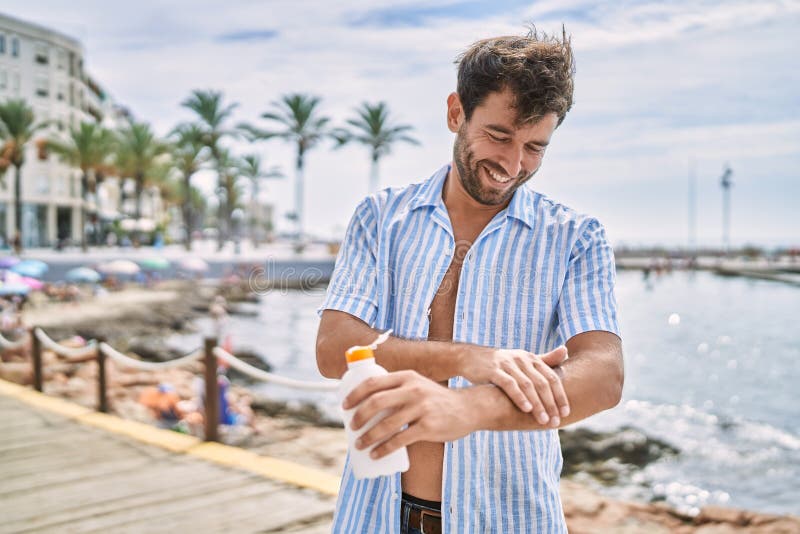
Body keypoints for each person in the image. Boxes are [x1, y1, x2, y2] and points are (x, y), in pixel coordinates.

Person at [316, 27, 623, 533]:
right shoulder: (380, 216)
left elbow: (604, 375)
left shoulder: (576, 237)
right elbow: (335, 348)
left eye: (535, 148)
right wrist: (469, 359)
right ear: (457, 112)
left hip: (511, 519)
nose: (512, 164)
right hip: (376, 516)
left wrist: (469, 407)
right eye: (499, 136)